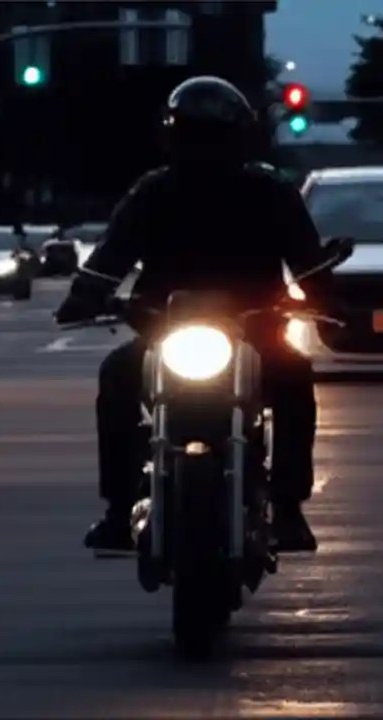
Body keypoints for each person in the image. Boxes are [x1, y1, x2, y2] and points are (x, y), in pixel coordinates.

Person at [53, 75, 338, 554]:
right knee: (118, 375)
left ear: (239, 139)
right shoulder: (151, 193)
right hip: (168, 332)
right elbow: (110, 256)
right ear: (172, 137)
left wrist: (326, 298)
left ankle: (288, 508)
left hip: (256, 336)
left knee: (294, 378)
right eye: (193, 134)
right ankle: (119, 509)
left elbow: (308, 261)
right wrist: (85, 295)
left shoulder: (271, 192)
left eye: (215, 136)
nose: (204, 147)